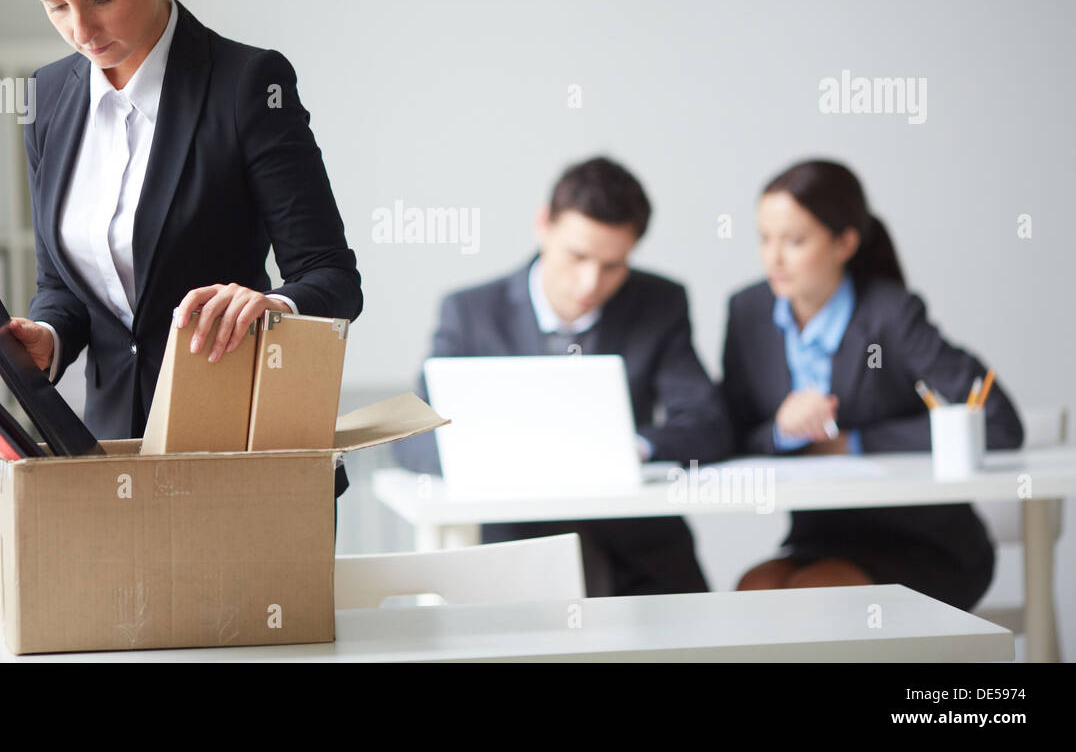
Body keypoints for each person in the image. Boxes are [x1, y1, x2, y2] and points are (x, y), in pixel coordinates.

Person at [0, 0, 362, 508]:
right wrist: (49, 338)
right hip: (113, 462)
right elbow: (62, 285)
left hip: (242, 456)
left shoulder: (247, 85)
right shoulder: (47, 98)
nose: (81, 31)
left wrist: (270, 306)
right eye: (55, 6)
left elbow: (332, 278)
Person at [394, 156, 732, 596]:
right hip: (516, 549)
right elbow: (412, 433)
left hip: (639, 550)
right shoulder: (472, 312)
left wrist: (634, 447)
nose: (590, 283)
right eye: (578, 256)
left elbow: (708, 424)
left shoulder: (659, 303)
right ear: (543, 224)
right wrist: (504, 456)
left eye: (613, 265)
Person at [720, 159, 1023, 610]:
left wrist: (854, 442)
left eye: (795, 241)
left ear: (845, 242)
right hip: (821, 539)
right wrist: (781, 431)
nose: (773, 258)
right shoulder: (749, 312)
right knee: (752, 593)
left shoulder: (892, 314)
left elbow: (999, 423)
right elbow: (727, 431)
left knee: (813, 596)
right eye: (765, 238)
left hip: (922, 541)